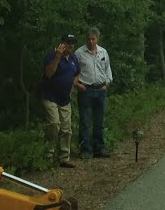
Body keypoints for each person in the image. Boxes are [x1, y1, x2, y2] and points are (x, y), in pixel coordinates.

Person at [39, 33, 80, 168]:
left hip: (65, 98)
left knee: (66, 128)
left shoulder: (73, 58)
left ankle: (64, 157)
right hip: (50, 96)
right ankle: (48, 155)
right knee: (54, 123)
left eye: (73, 43)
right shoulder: (52, 55)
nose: (71, 45)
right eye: (68, 43)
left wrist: (73, 84)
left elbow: (77, 73)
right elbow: (49, 73)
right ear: (62, 43)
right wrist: (57, 56)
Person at [74, 26, 113, 158]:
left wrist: (107, 84)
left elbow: (108, 69)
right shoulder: (79, 53)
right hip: (86, 90)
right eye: (88, 39)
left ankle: (99, 148)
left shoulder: (103, 52)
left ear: (97, 39)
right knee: (85, 121)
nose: (90, 41)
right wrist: (78, 85)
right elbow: (73, 72)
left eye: (93, 39)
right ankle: (85, 149)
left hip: (100, 89)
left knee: (99, 121)